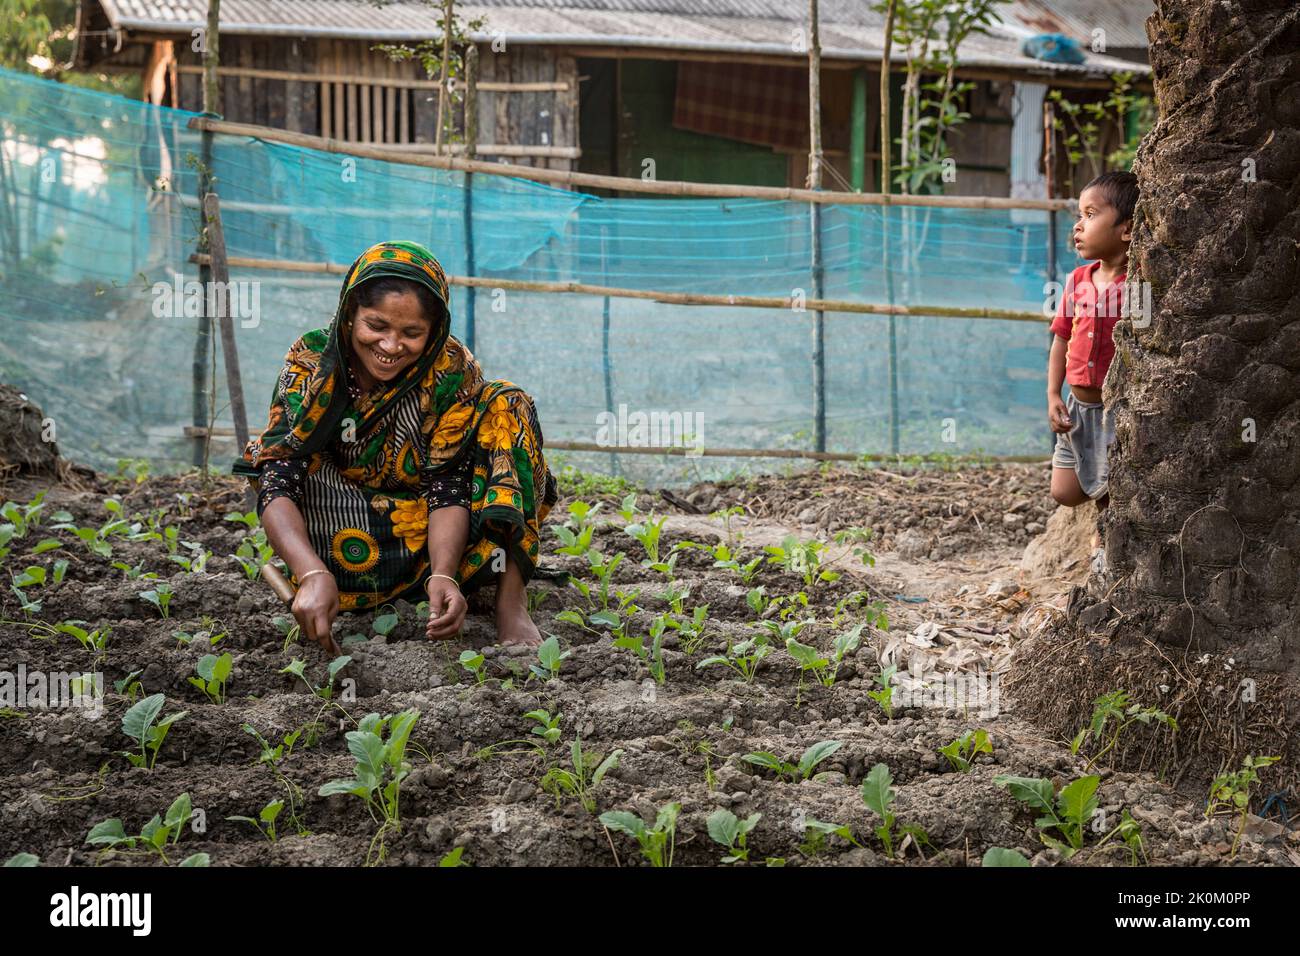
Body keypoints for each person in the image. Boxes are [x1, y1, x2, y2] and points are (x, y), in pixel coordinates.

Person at [233, 240, 557, 650]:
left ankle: (511, 599)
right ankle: (325, 584)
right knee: (280, 458)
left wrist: (443, 574)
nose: (390, 346)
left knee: (506, 404)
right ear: (350, 315)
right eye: (377, 326)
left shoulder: (449, 369)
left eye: (411, 333)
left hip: (432, 528)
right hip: (347, 529)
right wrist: (312, 573)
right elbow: (280, 477)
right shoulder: (311, 362)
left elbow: (449, 484)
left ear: (433, 331)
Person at [1047, 171, 1137, 541]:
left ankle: (1106, 544)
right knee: (1064, 491)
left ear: (1127, 230)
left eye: (1090, 215)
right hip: (1076, 408)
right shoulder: (1076, 281)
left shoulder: (1136, 286)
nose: (1078, 227)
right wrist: (1053, 394)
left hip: (1116, 410)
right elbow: (1060, 339)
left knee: (1111, 491)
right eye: (1079, 216)